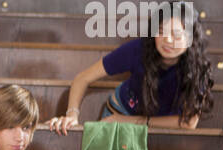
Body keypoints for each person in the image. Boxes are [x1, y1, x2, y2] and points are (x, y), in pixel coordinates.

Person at [48, 14, 214, 134]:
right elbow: (82, 78)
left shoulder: (199, 67)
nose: (168, 40)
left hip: (161, 127)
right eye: (161, 31)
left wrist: (132, 122)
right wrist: (72, 115)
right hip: (120, 113)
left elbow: (188, 123)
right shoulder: (139, 49)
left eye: (177, 34)